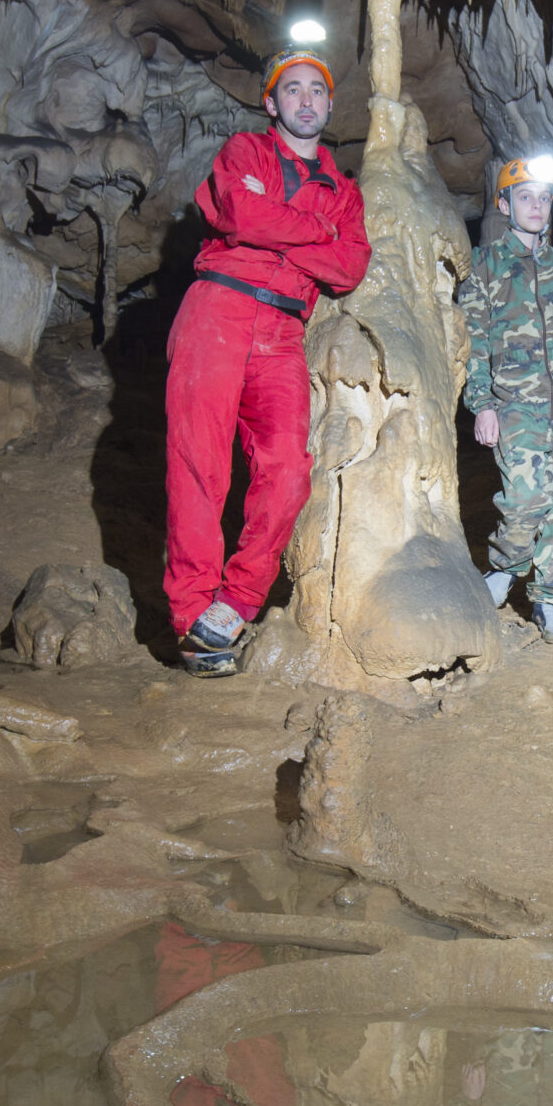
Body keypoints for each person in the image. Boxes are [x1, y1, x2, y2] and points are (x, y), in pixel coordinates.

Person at [165, 45, 371, 675]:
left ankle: (235, 601)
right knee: (199, 467)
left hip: (282, 328)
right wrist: (314, 235)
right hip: (216, 312)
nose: (305, 100)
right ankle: (192, 619)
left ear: (330, 104)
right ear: (272, 101)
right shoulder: (245, 154)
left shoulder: (342, 189)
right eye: (293, 90)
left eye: (316, 90)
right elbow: (238, 211)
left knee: (287, 471)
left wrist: (268, 226)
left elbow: (351, 266)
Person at [459, 154, 553, 645]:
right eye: (525, 197)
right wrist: (483, 404)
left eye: (544, 198)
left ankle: (550, 601)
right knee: (524, 499)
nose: (537, 206)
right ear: (505, 203)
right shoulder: (485, 267)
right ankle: (504, 569)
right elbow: (473, 340)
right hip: (514, 402)